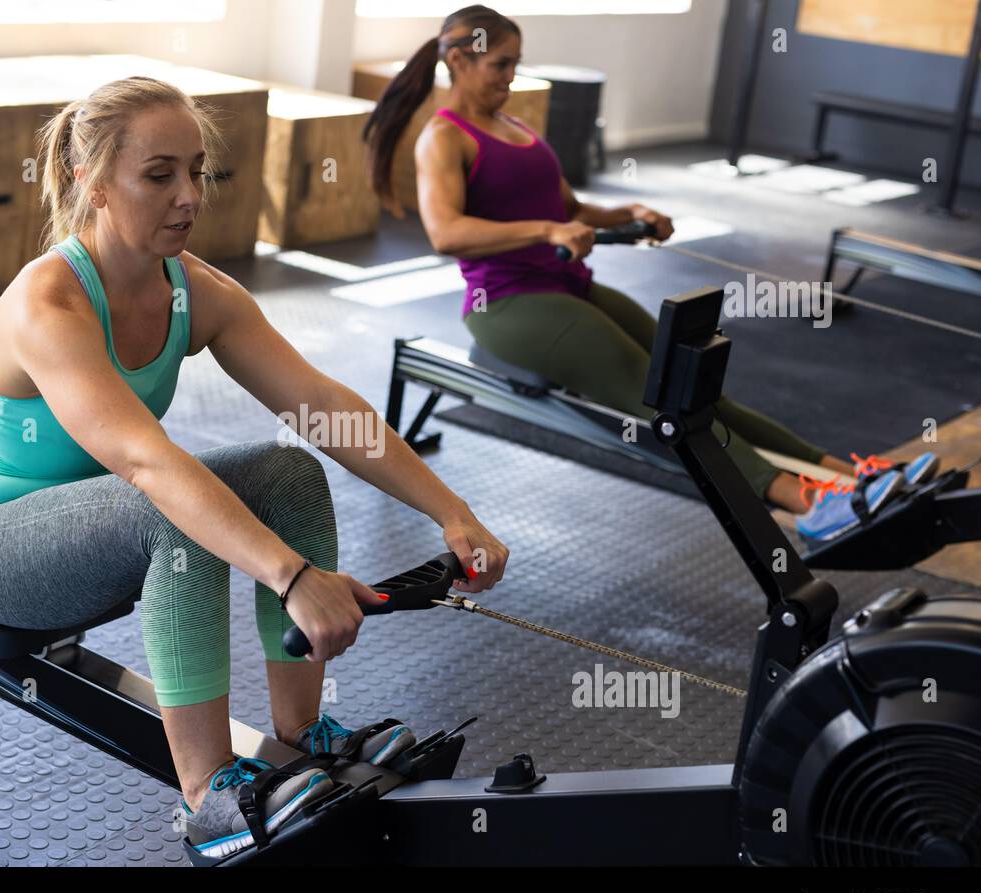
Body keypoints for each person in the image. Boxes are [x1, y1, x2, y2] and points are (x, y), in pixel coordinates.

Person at [0, 76, 509, 859]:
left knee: (287, 471)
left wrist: (452, 511)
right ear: (91, 183)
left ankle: (304, 732)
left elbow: (317, 400)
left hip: (108, 523)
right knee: (172, 505)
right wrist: (295, 577)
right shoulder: (48, 302)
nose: (188, 195)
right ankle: (209, 797)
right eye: (158, 174)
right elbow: (146, 463)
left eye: (196, 171)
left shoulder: (196, 291)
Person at [362, 4, 936, 543]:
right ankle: (809, 507)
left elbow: (571, 210)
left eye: (515, 63)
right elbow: (447, 232)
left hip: (570, 287)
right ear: (459, 60)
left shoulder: (514, 125)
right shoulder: (445, 137)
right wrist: (544, 232)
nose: (512, 75)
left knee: (699, 386)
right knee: (657, 396)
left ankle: (854, 476)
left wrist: (631, 216)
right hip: (509, 305)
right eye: (501, 64)